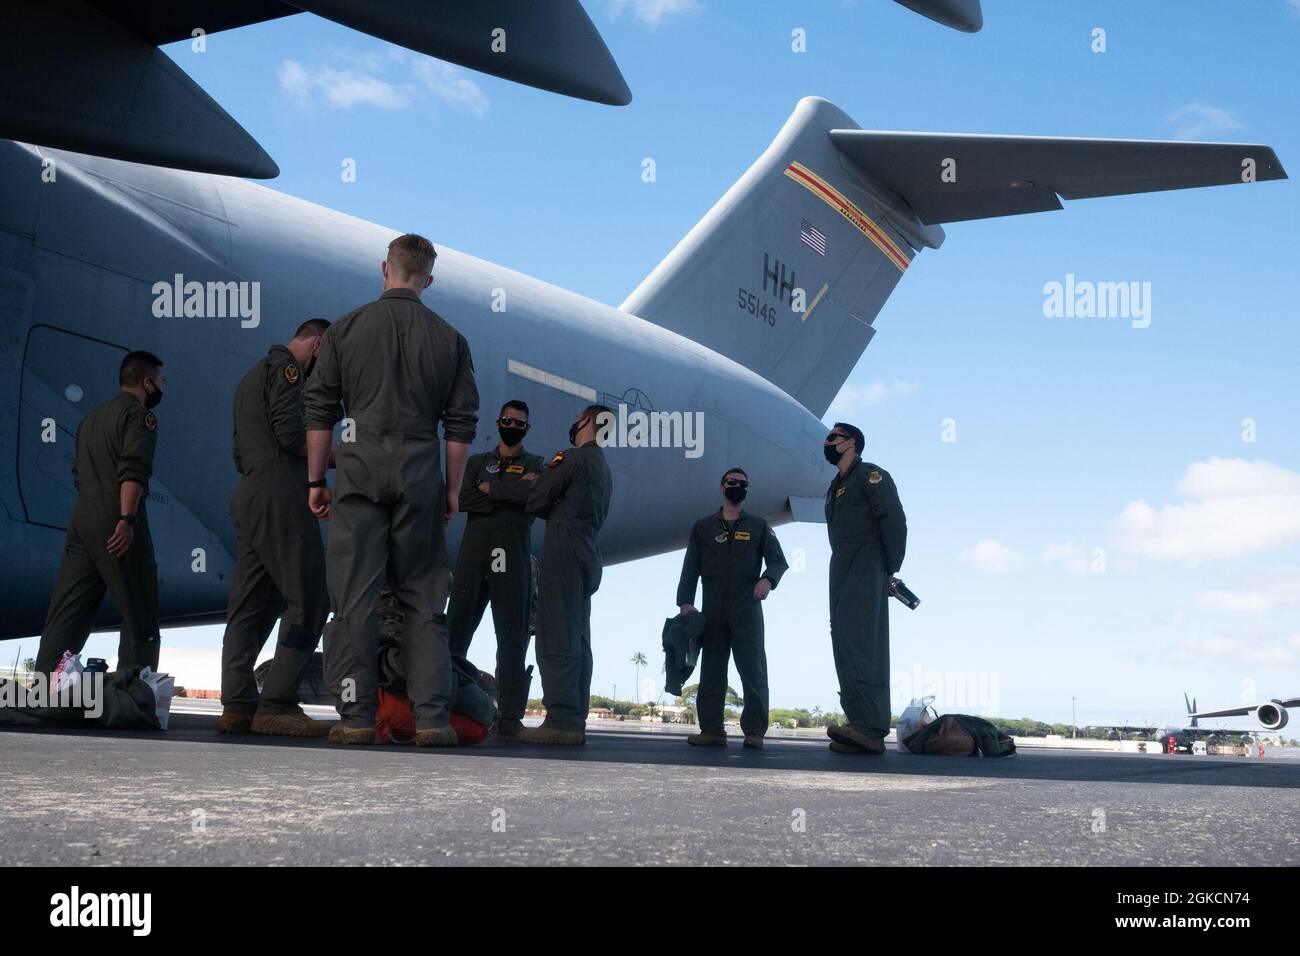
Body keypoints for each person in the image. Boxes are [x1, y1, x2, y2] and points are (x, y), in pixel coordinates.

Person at [303, 233, 479, 747]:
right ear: (429, 279)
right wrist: (452, 490)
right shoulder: (450, 339)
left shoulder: (345, 330)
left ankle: (356, 717)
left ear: (385, 269)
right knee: (423, 603)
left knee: (353, 601)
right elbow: (461, 424)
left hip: (357, 473)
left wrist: (317, 480)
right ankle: (431, 720)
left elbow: (319, 412)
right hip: (420, 475)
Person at [216, 320, 332, 737]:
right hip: (283, 491)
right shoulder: (289, 372)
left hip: (250, 493)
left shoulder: (249, 378)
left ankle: (238, 705)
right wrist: (336, 457)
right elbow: (290, 434)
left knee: (252, 603)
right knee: (312, 598)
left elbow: (237, 453)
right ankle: (278, 702)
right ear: (318, 344)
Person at [35, 351, 166, 676]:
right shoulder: (139, 417)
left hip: (83, 514)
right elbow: (133, 470)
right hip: (114, 512)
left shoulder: (89, 419)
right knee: (140, 611)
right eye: (161, 381)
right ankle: (136, 694)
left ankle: (44, 688)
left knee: (69, 610)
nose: (163, 388)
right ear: (147, 382)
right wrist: (126, 519)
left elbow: (78, 473)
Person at [446, 400, 545, 738]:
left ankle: (511, 716)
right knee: (455, 629)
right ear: (498, 421)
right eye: (507, 420)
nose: (512, 426)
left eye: (519, 423)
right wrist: (510, 494)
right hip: (473, 554)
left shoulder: (536, 464)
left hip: (512, 553)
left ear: (527, 429)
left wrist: (493, 490)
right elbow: (466, 500)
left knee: (512, 636)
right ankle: (443, 703)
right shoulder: (476, 462)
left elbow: (533, 498)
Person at [516, 405, 613, 745]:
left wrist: (538, 481)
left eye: (577, 419)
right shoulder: (603, 467)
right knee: (578, 637)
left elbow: (537, 501)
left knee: (556, 632)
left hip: (564, 548)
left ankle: (561, 720)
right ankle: (575, 717)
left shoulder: (570, 458)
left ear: (587, 422)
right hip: (587, 551)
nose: (573, 424)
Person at [676, 467, 787, 748]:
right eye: (732, 482)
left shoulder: (759, 526)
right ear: (722, 487)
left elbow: (778, 561)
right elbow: (690, 566)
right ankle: (711, 731)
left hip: (746, 606)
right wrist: (685, 603)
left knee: (752, 669)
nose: (737, 486)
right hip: (712, 606)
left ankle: (754, 732)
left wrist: (767, 580)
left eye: (743, 483)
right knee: (712, 669)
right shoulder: (703, 527)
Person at [821, 422, 907, 755]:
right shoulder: (835, 486)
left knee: (864, 639)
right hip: (841, 563)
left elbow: (894, 521)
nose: (826, 443)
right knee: (842, 637)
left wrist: (888, 567)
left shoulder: (871, 475)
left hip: (867, 561)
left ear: (851, 443)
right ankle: (856, 720)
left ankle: (872, 726)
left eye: (833, 438)